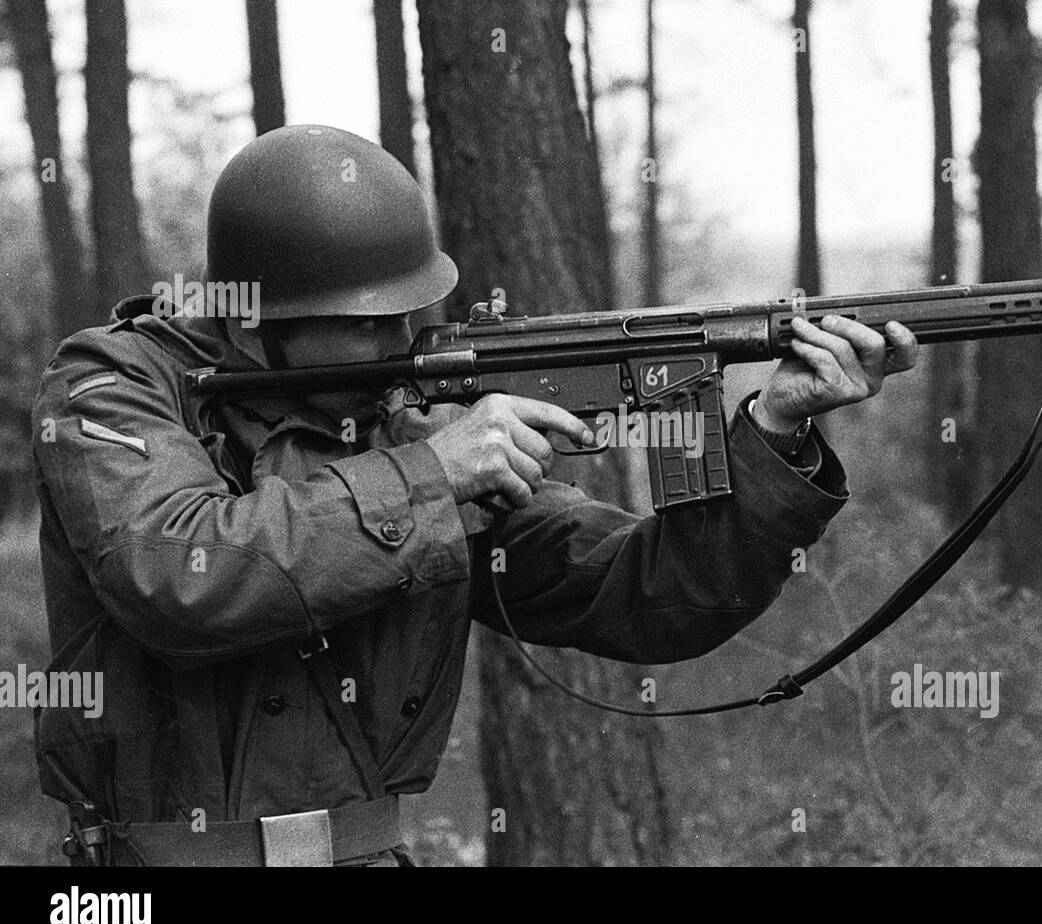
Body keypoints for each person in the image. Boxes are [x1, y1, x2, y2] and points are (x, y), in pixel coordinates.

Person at [31, 125, 917, 866]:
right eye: (362, 321)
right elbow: (177, 574)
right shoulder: (110, 384)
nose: (398, 336)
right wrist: (436, 476)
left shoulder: (407, 428)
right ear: (257, 316)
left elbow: (649, 598)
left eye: (404, 311)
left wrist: (773, 430)